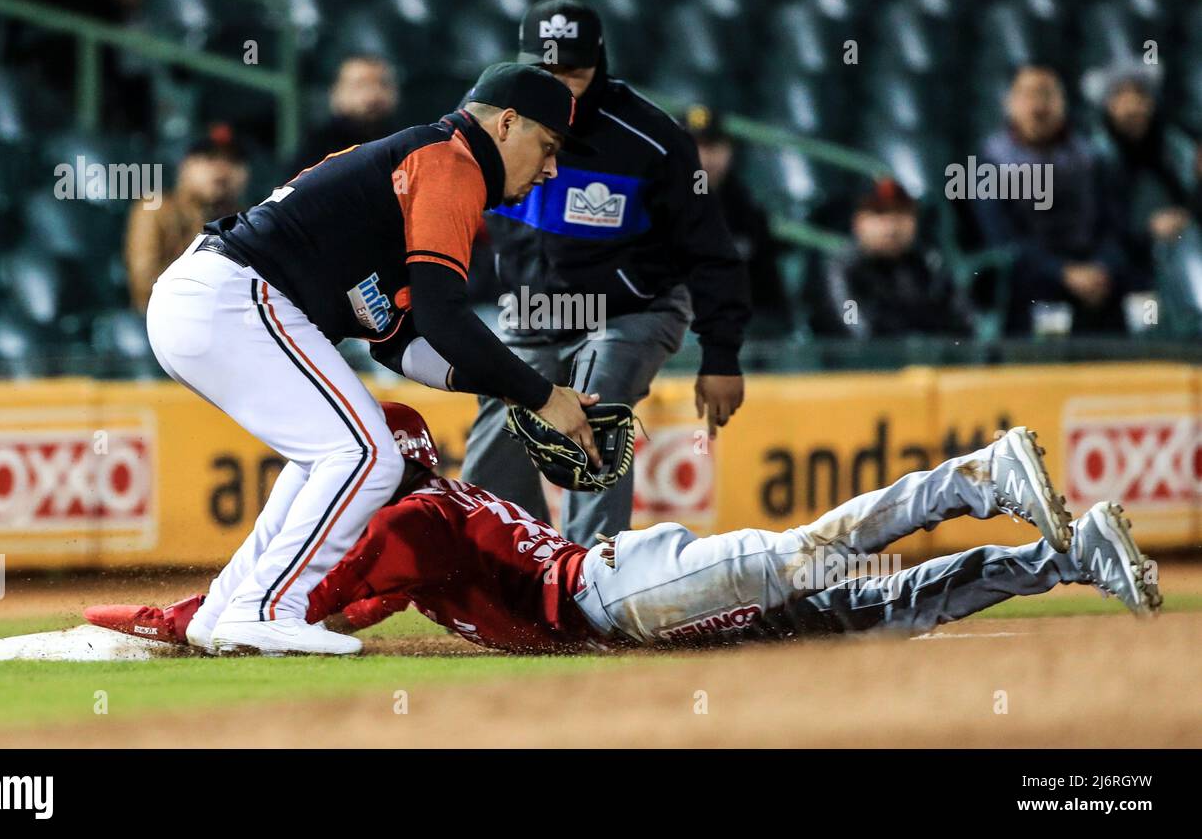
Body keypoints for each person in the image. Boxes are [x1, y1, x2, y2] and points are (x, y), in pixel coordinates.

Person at [88, 402, 1160, 656]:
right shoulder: (432, 509)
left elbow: (316, 600)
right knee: (862, 617)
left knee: (811, 563)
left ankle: (973, 475)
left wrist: (182, 617)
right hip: (622, 595)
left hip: (622, 597)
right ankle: (1062, 556)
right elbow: (362, 597)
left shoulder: (411, 514)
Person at [143, 62, 602, 656]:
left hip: (209, 301)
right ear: (507, 124)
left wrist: (511, 389)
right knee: (365, 455)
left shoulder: (426, 165)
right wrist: (542, 395)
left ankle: (227, 607)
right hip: (234, 297)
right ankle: (264, 609)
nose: (551, 168)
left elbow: (399, 339)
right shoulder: (451, 160)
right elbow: (445, 317)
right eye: (547, 145)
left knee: (330, 458)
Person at [461, 0, 752, 546]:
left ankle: (593, 581)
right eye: (544, 71)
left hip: (634, 310)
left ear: (601, 65)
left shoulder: (651, 138)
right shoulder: (487, 123)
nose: (557, 85)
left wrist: (721, 353)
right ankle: (522, 567)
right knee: (498, 440)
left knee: (594, 409)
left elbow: (710, 251)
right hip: (533, 311)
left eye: (573, 73)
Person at [975, 64, 1127, 334]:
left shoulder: (1090, 159)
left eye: (1047, 94)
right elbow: (1001, 240)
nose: (1038, 105)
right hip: (1030, 278)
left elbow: (1114, 227)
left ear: (1063, 103)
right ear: (1009, 103)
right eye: (1028, 94)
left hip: (1093, 275)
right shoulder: (990, 163)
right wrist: (1062, 272)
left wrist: (1103, 267)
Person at [809, 178, 975, 338]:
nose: (891, 225)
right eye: (879, 212)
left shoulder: (928, 264)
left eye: (901, 212)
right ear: (858, 221)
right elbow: (854, 332)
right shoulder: (841, 269)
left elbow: (963, 326)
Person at [1090, 65, 1202, 292]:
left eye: (1140, 95)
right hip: (1125, 257)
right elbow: (1099, 222)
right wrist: (1146, 229)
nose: (1133, 105)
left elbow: (1191, 195)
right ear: (1108, 105)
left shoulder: (1177, 146)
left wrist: (1185, 214)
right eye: (1121, 96)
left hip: (1180, 245)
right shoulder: (1096, 155)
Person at [682, 104, 790, 329]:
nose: (705, 158)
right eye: (694, 146)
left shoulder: (747, 212)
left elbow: (770, 296)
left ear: (728, 151)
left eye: (712, 146)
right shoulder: (651, 202)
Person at [125, 125, 248, 313]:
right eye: (209, 159)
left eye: (233, 161)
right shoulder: (156, 208)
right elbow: (143, 287)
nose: (222, 169)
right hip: (164, 320)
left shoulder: (244, 219)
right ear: (185, 166)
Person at [288, 54, 400, 172]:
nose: (373, 95)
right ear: (336, 93)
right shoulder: (316, 151)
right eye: (360, 85)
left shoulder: (407, 145)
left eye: (383, 84)